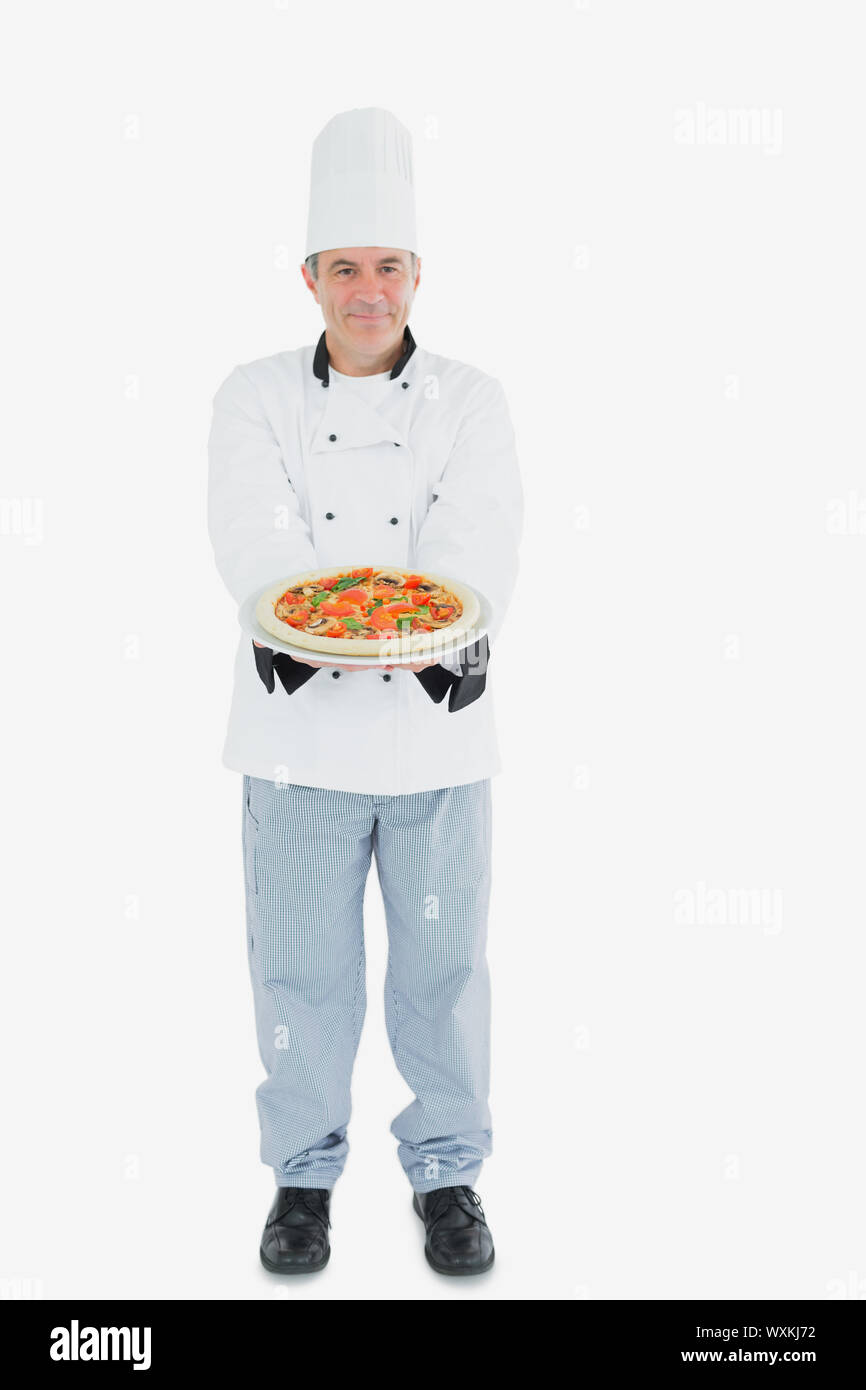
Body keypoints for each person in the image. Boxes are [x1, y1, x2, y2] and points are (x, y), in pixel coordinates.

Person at [207, 107, 523, 1276]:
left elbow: (475, 537)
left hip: (435, 739)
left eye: (386, 267)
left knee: (443, 974)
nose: (366, 290)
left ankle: (446, 1175)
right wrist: (293, 617)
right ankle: (301, 1178)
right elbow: (254, 531)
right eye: (344, 268)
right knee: (299, 970)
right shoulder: (252, 395)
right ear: (309, 278)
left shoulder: (469, 398)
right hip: (293, 741)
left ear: (415, 276)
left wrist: (447, 623)